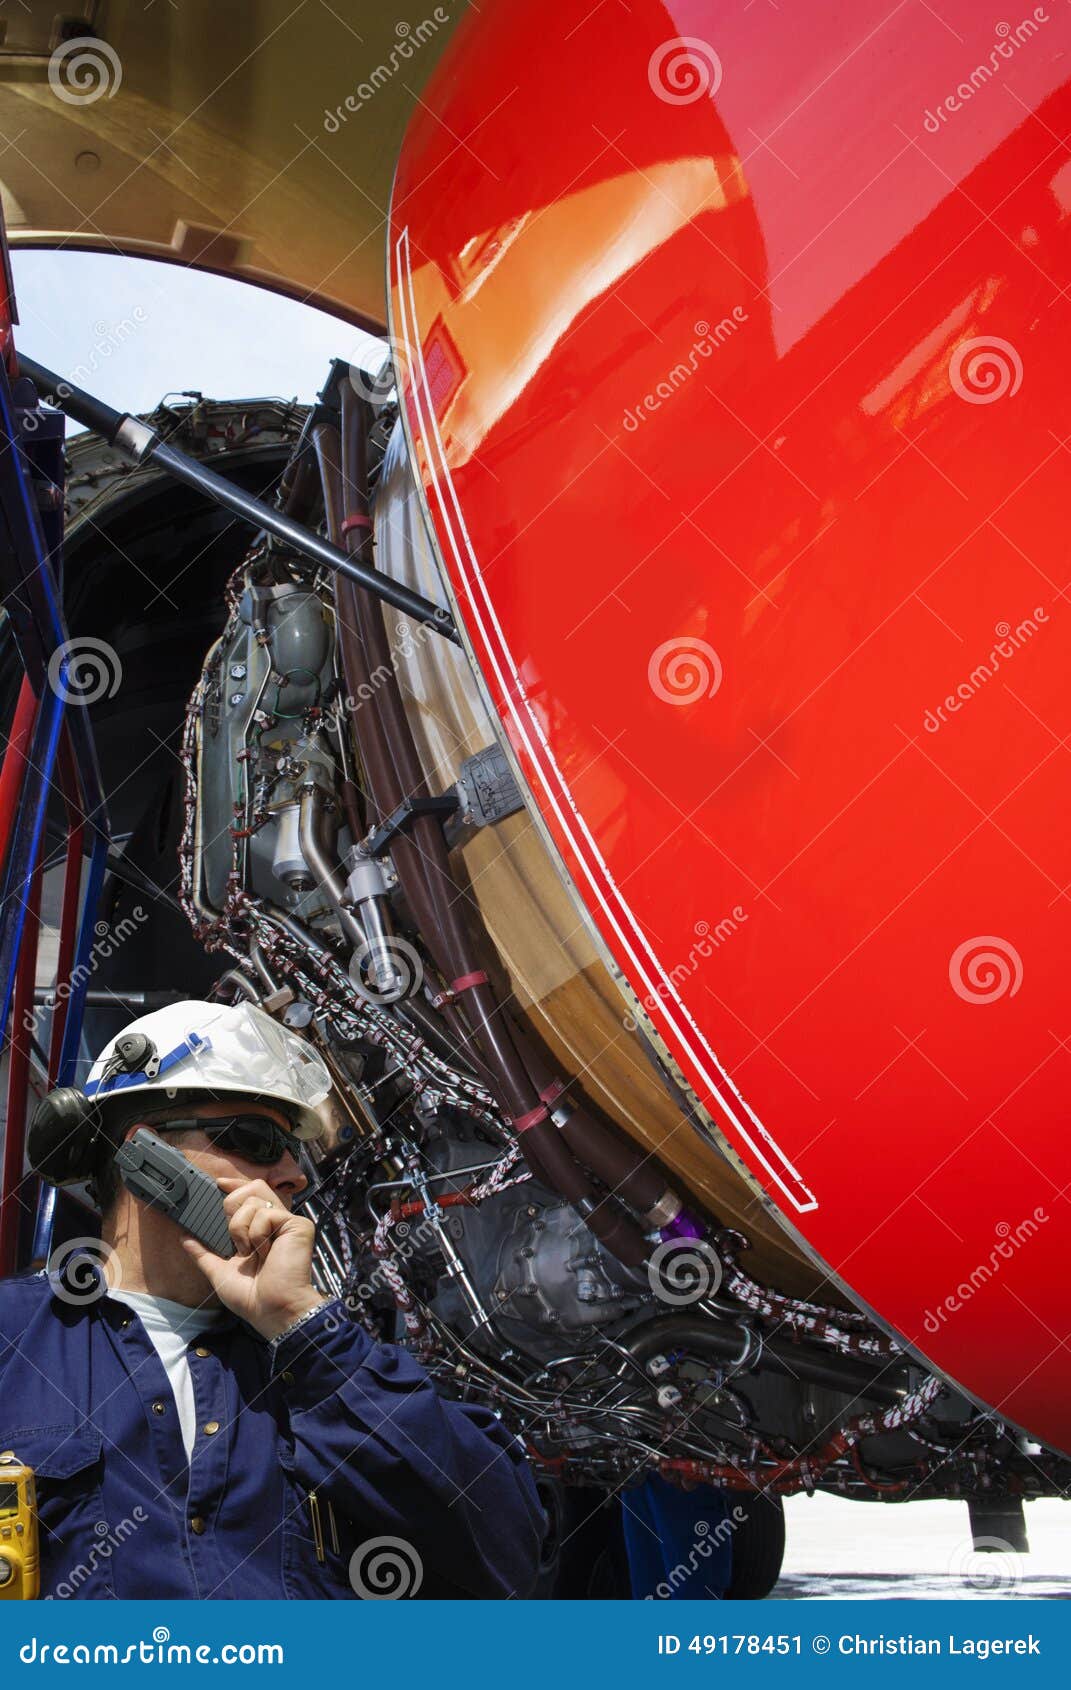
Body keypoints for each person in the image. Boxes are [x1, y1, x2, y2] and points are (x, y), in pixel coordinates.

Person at [0, 1000, 544, 1600]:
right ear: (146, 1156)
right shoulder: (13, 1340)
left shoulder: (332, 1364)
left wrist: (306, 1332)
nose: (293, 1174)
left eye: (295, 1149)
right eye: (256, 1139)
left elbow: (506, 1558)